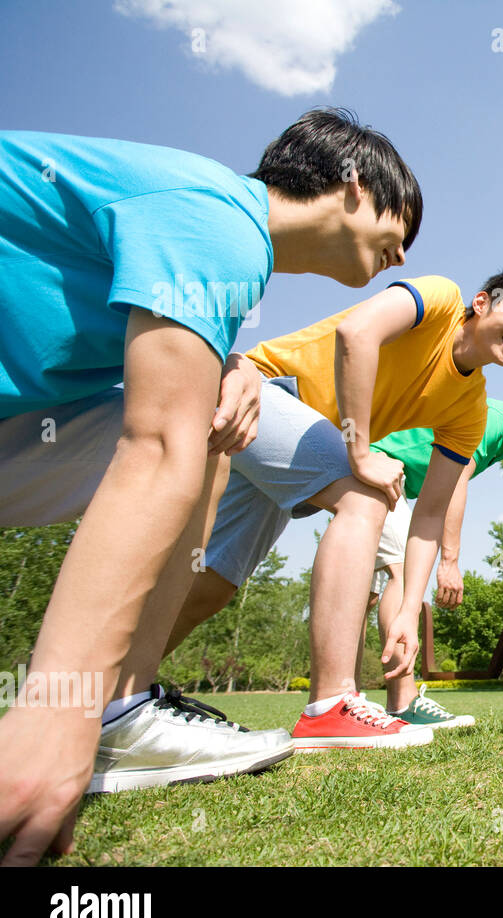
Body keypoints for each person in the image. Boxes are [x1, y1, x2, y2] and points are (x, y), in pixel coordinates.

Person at [0, 107, 421, 865]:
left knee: (218, 415)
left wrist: (228, 366)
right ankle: (86, 709)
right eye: (402, 225)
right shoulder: (219, 216)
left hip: (25, 421)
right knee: (189, 428)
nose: (401, 253)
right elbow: (157, 445)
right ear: (355, 183)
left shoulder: (212, 224)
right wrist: (49, 716)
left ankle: (122, 709)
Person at [160, 270, 503, 750]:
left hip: (292, 447)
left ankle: (113, 692)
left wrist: (410, 611)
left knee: (214, 584)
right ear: (481, 302)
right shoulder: (439, 298)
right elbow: (357, 333)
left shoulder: (470, 409)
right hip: (263, 392)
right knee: (367, 494)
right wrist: (360, 450)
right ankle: (329, 706)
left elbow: (429, 514)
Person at [362, 372, 503, 725]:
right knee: (400, 571)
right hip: (383, 467)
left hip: (380, 466)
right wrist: (449, 560)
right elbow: (455, 481)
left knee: (366, 592)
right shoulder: (491, 418)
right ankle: (402, 702)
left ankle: (342, 697)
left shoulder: (500, 430)